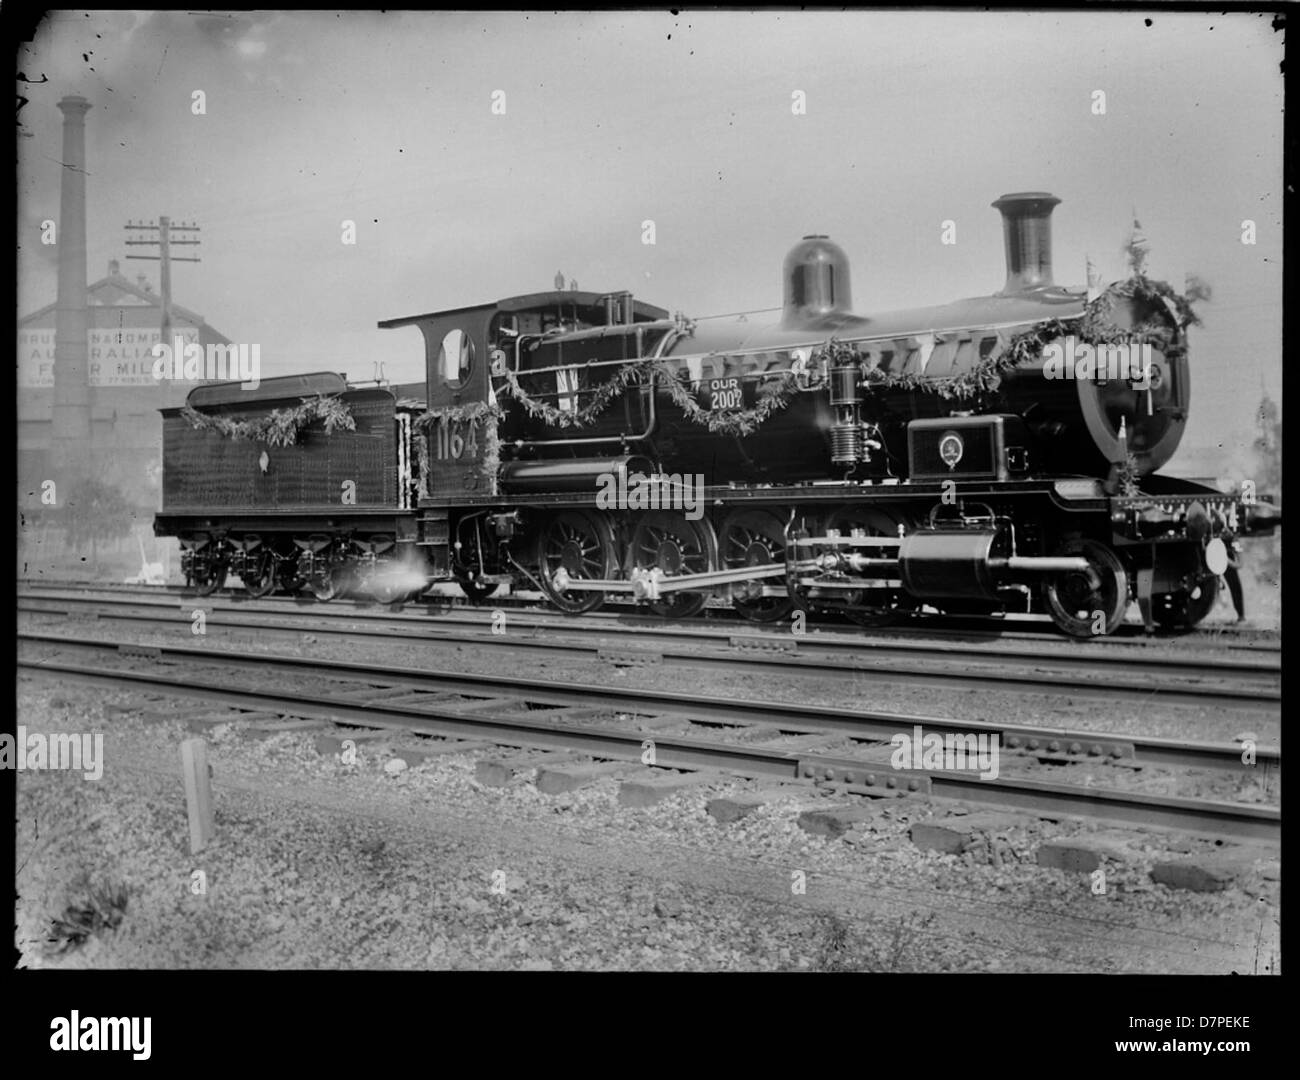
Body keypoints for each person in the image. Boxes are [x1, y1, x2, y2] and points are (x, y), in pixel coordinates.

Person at [1222, 534, 1246, 622]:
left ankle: (1241, 614)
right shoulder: (1232, 538)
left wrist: (1226, 560)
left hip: (1224, 552)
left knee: (1234, 584)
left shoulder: (1232, 539)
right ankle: (1241, 615)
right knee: (1235, 584)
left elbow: (1240, 563)